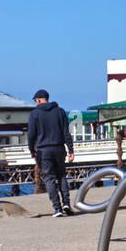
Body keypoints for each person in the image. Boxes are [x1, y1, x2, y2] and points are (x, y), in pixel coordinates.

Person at [27, 89, 76, 217]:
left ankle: (57, 208)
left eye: (35, 101)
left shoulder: (35, 114)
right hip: (59, 148)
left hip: (43, 150)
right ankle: (66, 203)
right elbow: (66, 132)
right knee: (61, 175)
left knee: (49, 178)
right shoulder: (60, 112)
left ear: (38, 100)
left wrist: (31, 150)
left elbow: (31, 135)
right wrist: (71, 150)